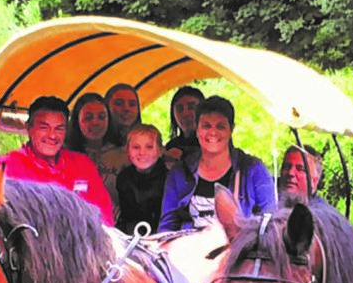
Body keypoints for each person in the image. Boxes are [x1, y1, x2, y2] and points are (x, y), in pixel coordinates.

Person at [0, 96, 114, 224]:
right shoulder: (10, 165)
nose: (52, 135)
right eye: (44, 127)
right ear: (29, 129)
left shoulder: (81, 164)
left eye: (59, 128)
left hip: (83, 256)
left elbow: (105, 215)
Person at [158, 95, 275, 232]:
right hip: (188, 249)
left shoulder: (253, 169)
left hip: (240, 250)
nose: (213, 133)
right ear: (197, 129)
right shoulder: (179, 172)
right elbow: (167, 227)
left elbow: (269, 223)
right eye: (206, 126)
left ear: (231, 130)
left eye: (220, 126)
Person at [65, 91, 130, 216]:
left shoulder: (123, 155)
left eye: (101, 117)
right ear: (77, 121)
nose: (96, 122)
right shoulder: (65, 157)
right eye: (88, 118)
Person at [116, 124, 168, 235]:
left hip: (161, 234)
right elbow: (126, 215)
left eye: (149, 147)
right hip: (132, 235)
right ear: (127, 150)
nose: (142, 153)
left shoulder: (169, 179)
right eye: (136, 147)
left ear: (160, 151)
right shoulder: (123, 178)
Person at [164, 85, 205, 161]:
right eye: (180, 109)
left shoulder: (214, 142)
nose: (185, 113)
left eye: (191, 107)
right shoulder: (171, 147)